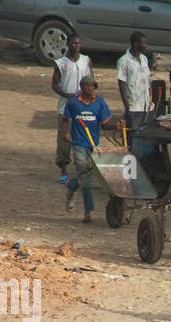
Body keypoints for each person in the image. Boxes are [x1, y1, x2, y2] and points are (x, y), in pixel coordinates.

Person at [60, 77, 122, 224]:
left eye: (92, 85)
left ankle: (70, 187)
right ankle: (88, 212)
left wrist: (117, 126)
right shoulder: (73, 103)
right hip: (78, 143)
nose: (89, 88)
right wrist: (67, 132)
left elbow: (105, 125)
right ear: (81, 86)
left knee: (85, 175)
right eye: (86, 85)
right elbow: (65, 119)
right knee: (85, 178)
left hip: (93, 144)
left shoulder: (99, 103)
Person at [51, 33, 93, 182]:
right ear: (68, 45)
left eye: (79, 43)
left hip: (83, 108)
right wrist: (66, 95)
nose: (77, 46)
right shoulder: (61, 63)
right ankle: (63, 171)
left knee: (81, 139)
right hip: (66, 109)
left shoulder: (86, 60)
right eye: (74, 43)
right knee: (64, 141)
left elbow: (91, 81)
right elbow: (54, 85)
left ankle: (81, 171)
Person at [115, 32, 151, 150]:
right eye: (143, 43)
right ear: (136, 44)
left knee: (146, 140)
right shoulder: (123, 61)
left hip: (147, 107)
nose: (146, 45)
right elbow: (122, 85)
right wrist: (128, 107)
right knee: (132, 141)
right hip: (133, 108)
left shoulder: (144, 59)